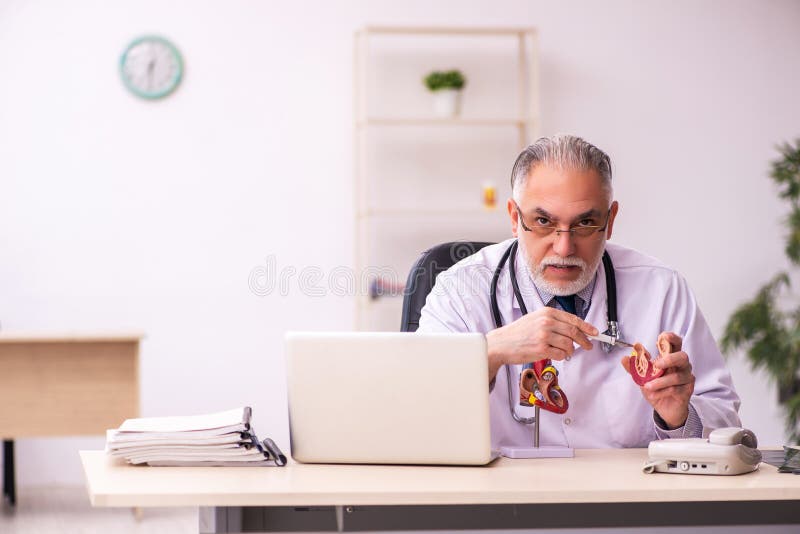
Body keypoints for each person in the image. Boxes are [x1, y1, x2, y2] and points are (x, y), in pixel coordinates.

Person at [417, 134, 741, 449]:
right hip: (500, 498)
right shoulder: (459, 290)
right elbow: (419, 413)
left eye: (585, 223)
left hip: (624, 499)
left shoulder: (661, 289)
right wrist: (491, 352)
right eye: (543, 220)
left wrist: (680, 416)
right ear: (515, 218)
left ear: (610, 220)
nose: (564, 246)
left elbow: (727, 424)